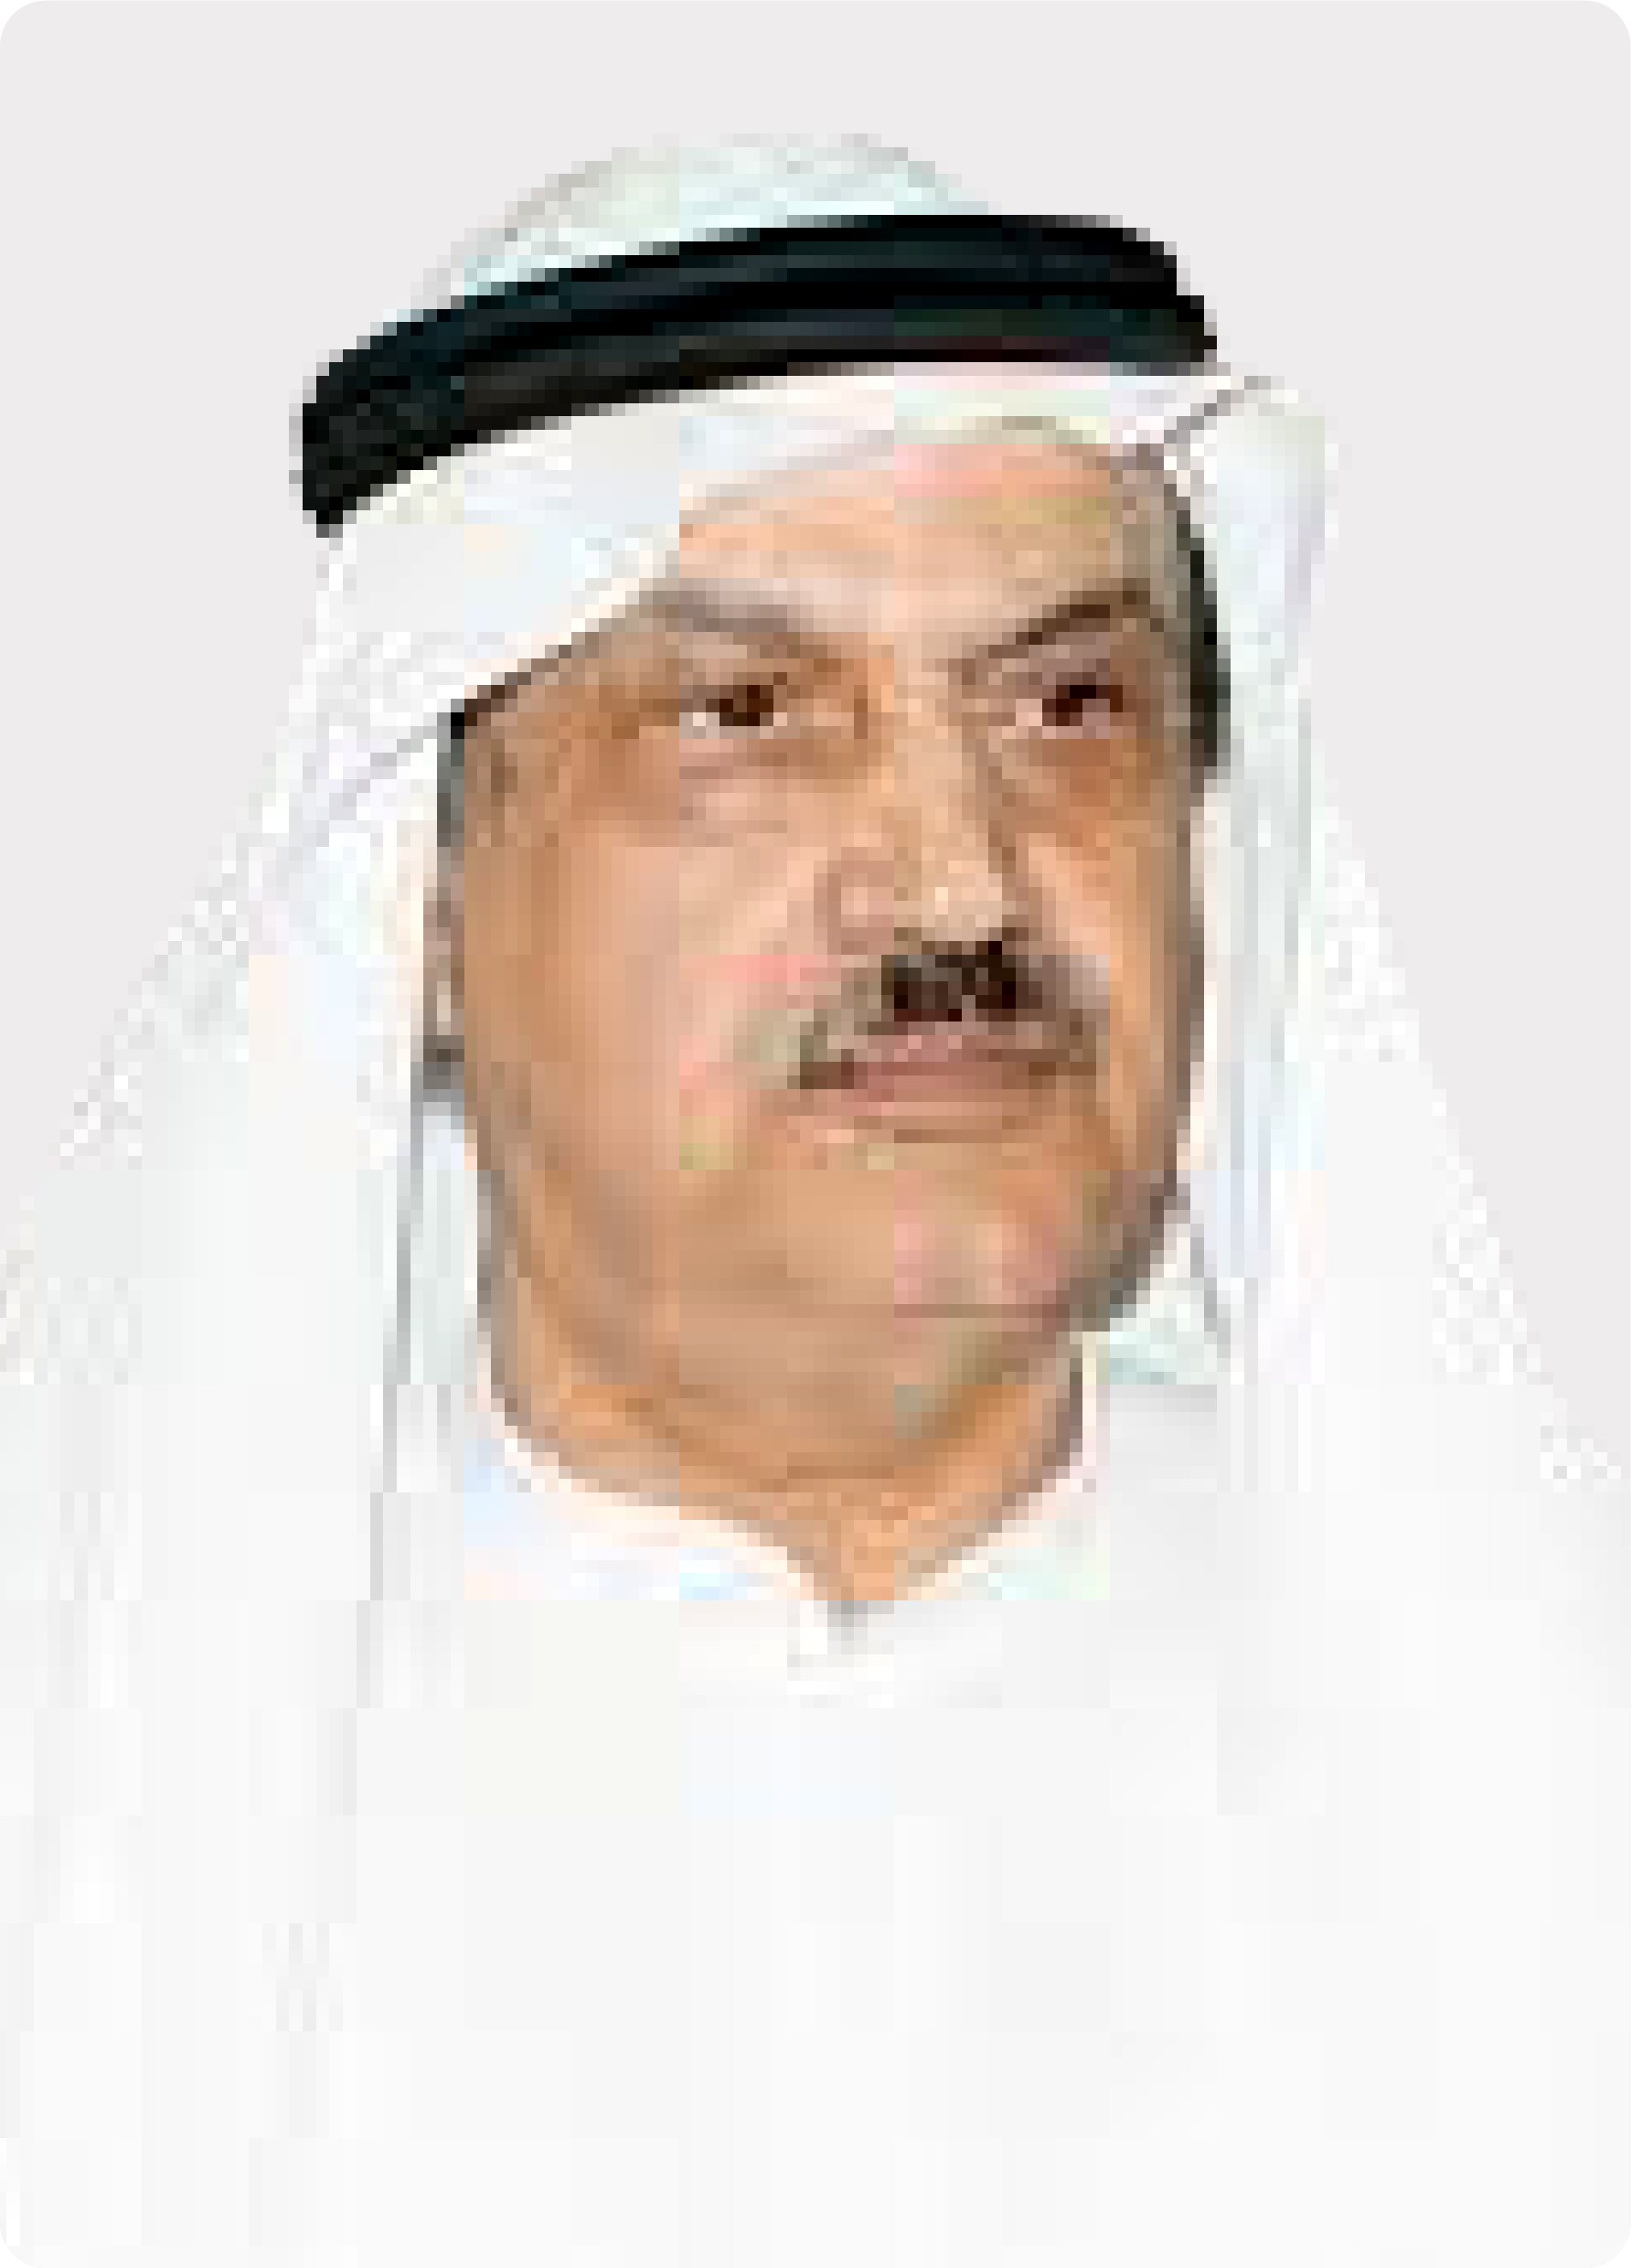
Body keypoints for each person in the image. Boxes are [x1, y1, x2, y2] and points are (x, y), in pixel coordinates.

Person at [1, 134, 1624, 2268]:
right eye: (747, 717)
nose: (958, 884)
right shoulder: (84, 1761)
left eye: (1069, 709)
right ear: (419, 903)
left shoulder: (1530, 1751)